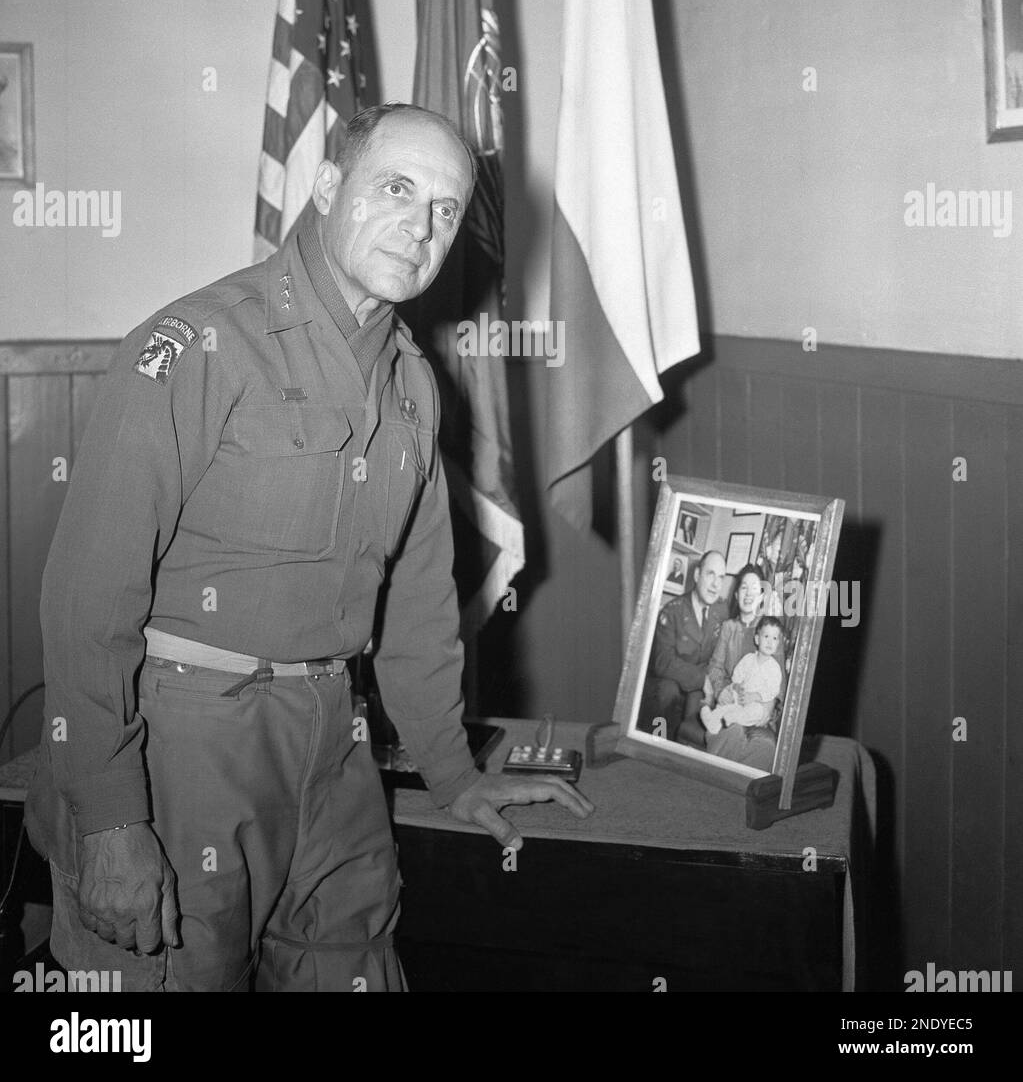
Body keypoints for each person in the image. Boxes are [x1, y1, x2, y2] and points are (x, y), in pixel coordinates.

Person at [26, 102, 593, 993]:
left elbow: (417, 601)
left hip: (335, 740)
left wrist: (452, 772)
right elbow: (86, 600)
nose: (421, 226)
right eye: (396, 189)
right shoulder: (197, 346)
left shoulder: (413, 383)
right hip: (183, 743)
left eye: (445, 209)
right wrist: (108, 821)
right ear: (327, 186)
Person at [700, 563, 785, 771]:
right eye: (744, 588)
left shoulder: (770, 632)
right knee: (732, 732)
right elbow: (716, 667)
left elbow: (779, 683)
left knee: (764, 749)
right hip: (732, 701)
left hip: (758, 708)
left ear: (762, 596)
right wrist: (722, 692)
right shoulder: (729, 628)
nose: (749, 594)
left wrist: (767, 705)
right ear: (737, 594)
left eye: (755, 588)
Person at [648, 550, 727, 743]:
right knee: (667, 691)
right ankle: (657, 742)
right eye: (711, 574)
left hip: (699, 688)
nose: (716, 584)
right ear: (697, 575)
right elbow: (662, 662)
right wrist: (702, 679)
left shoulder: (721, 611)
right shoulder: (672, 611)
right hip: (672, 683)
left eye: (721, 577)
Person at [699, 615, 783, 734]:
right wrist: (736, 686)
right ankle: (713, 720)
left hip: (756, 702)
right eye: (766, 636)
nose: (770, 642)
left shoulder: (774, 668)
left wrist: (756, 696)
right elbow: (737, 675)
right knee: (728, 700)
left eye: (774, 638)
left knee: (757, 711)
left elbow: (773, 690)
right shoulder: (748, 659)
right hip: (740, 698)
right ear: (757, 639)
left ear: (778, 643)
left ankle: (732, 718)